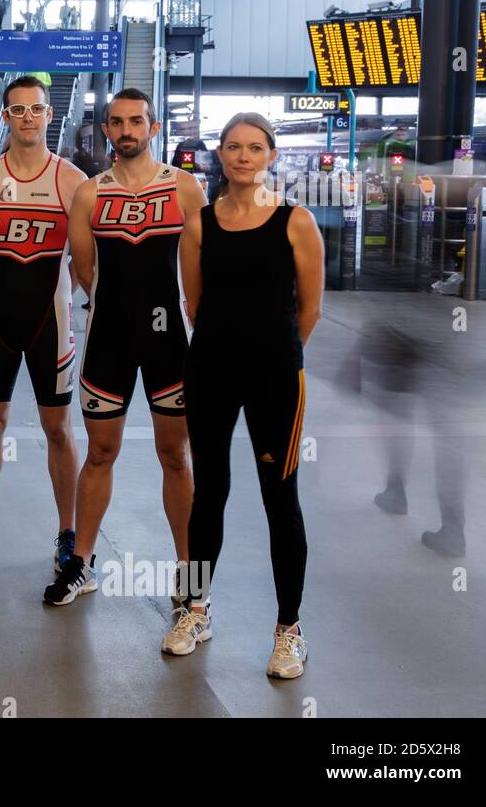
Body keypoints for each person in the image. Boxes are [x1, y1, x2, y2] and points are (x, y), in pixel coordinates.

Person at [163, 111, 324, 679]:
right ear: (220, 155)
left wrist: (275, 355)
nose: (242, 157)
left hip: (276, 376)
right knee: (209, 492)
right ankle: (196, 609)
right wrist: (226, 349)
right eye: (232, 147)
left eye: (254, 148)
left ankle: (288, 630)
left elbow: (309, 309)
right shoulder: (200, 224)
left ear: (270, 156)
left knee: (280, 499)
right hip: (209, 371)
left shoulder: (295, 221)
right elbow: (194, 305)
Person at [47, 88, 205, 605]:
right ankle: (82, 562)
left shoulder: (185, 189)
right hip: (110, 338)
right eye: (116, 123)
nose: (126, 130)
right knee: (100, 452)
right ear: (107, 130)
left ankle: (188, 571)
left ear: (153, 127)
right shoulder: (90, 193)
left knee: (175, 455)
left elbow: (197, 273)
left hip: (170, 344)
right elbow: (86, 271)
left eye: (136, 121)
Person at [0, 74, 87, 570]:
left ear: (51, 114)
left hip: (52, 322)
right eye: (18, 110)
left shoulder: (72, 180)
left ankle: (69, 533)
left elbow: (87, 259)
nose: (27, 117)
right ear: (4, 117)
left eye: (36, 109)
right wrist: (2, 282)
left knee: (58, 428)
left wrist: (61, 289)